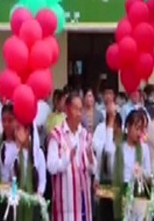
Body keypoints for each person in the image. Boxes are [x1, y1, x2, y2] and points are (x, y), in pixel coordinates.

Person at [47, 91, 94, 221]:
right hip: (66, 202)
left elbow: (92, 169)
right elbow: (51, 166)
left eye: (81, 110)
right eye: (76, 109)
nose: (79, 114)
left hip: (83, 199)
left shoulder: (85, 135)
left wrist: (92, 162)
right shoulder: (56, 135)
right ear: (67, 110)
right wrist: (67, 158)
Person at [11, 121, 46, 221]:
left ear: (27, 132)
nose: (16, 133)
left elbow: (42, 181)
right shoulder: (16, 154)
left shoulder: (38, 155)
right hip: (18, 202)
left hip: (34, 203)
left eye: (19, 130)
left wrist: (37, 196)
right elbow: (13, 178)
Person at [0, 104, 18, 220]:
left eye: (10, 120)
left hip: (18, 198)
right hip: (0, 196)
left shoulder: (22, 145)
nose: (6, 124)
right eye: (3, 121)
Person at [93, 111, 123, 220]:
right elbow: (100, 164)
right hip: (105, 187)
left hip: (120, 188)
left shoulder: (124, 146)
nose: (109, 128)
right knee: (105, 214)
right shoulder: (104, 145)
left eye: (111, 125)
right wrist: (96, 178)